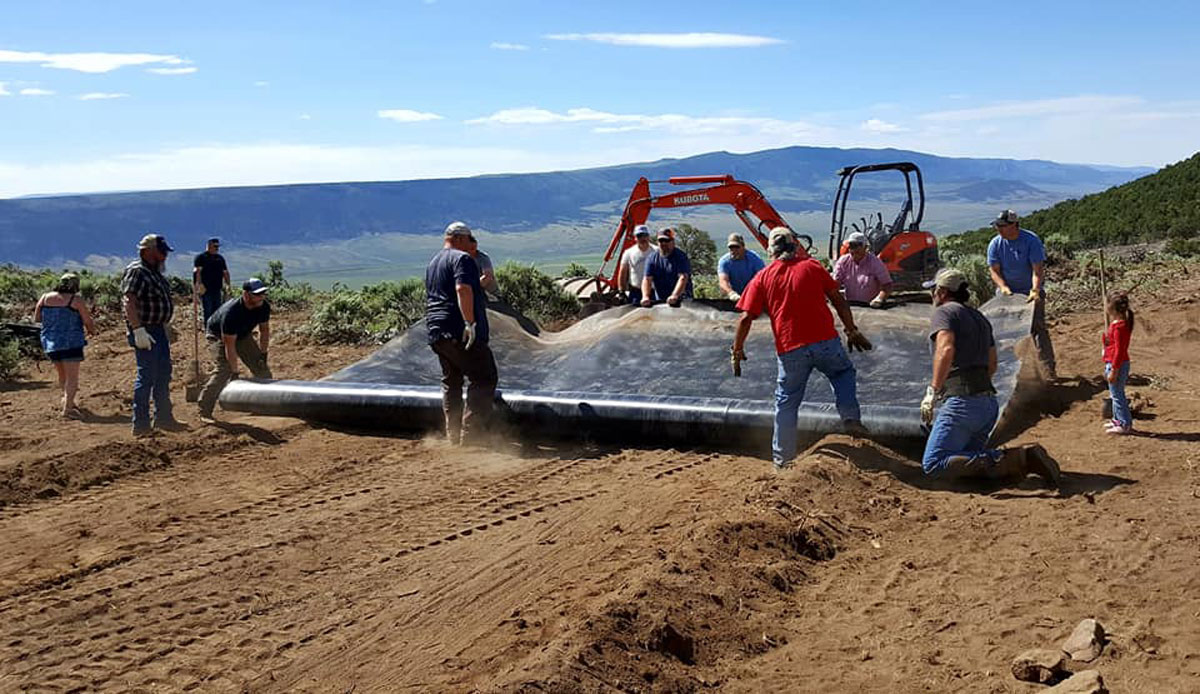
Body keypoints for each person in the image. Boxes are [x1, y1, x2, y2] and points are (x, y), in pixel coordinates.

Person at [730, 227, 873, 469]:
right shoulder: (813, 267)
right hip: (825, 341)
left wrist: (737, 350)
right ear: (795, 246)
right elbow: (837, 298)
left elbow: (745, 318)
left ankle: (783, 461)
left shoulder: (763, 277)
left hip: (790, 349)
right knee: (842, 373)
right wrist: (851, 329)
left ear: (771, 252)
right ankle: (850, 419)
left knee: (786, 402)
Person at [920, 268, 1060, 485]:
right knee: (968, 464)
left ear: (943, 292)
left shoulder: (945, 312)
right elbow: (992, 362)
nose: (932, 295)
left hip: (962, 403)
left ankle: (1022, 458)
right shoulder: (979, 317)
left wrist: (933, 391)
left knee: (934, 463)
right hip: (987, 404)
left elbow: (945, 349)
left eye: (934, 290)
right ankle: (1011, 464)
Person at [426, 221, 498, 445]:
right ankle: (472, 437)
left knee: (451, 381)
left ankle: (453, 435)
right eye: (468, 239)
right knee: (484, 378)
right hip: (458, 328)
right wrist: (470, 323)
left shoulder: (433, 262)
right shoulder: (462, 259)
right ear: (457, 238)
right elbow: (463, 289)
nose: (471, 244)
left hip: (436, 330)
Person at [122, 233, 183, 435]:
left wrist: (165, 324)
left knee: (163, 374)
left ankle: (164, 418)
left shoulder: (154, 272)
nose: (164, 256)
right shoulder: (137, 271)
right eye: (161, 252)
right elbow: (129, 302)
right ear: (147, 252)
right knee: (146, 376)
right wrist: (138, 330)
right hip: (145, 330)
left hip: (158, 329)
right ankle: (141, 424)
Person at [986, 209, 1056, 378]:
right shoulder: (995, 244)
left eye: (1002, 226)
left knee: (1038, 329)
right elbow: (994, 271)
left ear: (1014, 225)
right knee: (1004, 332)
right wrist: (1003, 287)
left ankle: (1048, 369)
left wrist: (1035, 291)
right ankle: (1006, 370)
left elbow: (1037, 270)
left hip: (1030, 292)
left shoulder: (1031, 241)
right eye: (997, 226)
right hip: (1007, 295)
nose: (999, 230)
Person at [196, 278, 273, 424]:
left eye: (263, 293)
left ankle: (263, 404)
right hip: (218, 335)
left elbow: (264, 331)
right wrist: (235, 372)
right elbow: (229, 346)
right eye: (257, 294)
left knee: (262, 369)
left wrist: (263, 354)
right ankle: (204, 410)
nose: (261, 297)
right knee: (224, 370)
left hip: (243, 334)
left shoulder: (263, 307)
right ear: (246, 294)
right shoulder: (231, 313)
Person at [34, 272, 97, 419]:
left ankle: (68, 401)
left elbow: (37, 318)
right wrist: (91, 331)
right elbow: (87, 321)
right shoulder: (76, 300)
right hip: (71, 343)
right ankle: (68, 409)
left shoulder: (44, 298)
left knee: (62, 375)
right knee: (72, 377)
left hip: (50, 343)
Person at [1102, 292, 1135, 435]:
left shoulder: (1119, 327)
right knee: (1114, 393)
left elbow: (1120, 351)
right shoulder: (1117, 325)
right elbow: (1113, 345)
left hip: (1118, 364)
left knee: (1117, 395)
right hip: (1114, 362)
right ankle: (1117, 420)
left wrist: (1114, 370)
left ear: (1112, 308)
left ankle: (1125, 424)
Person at [832, 231, 893, 308]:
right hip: (851, 306)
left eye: (858, 245)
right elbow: (835, 283)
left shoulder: (875, 262)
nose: (854, 249)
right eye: (851, 246)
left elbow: (887, 285)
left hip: (871, 307)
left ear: (865, 247)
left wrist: (879, 299)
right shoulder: (843, 261)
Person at [641, 227, 692, 307]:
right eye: (661, 241)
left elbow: (683, 277)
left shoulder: (681, 257)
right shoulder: (652, 258)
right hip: (661, 301)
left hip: (682, 301)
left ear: (673, 241)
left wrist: (675, 295)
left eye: (667, 240)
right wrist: (645, 296)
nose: (664, 243)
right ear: (657, 242)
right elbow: (647, 279)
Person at [717, 233, 766, 301]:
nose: (734, 250)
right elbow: (723, 280)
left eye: (737, 247)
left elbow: (763, 278)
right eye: (731, 247)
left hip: (752, 295)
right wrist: (731, 293)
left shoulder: (754, 258)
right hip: (734, 297)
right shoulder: (724, 261)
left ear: (743, 247)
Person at [193, 237, 231, 323]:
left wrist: (228, 285)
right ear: (209, 245)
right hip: (206, 290)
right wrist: (199, 284)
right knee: (208, 311)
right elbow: (197, 272)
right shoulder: (201, 257)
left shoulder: (220, 258)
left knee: (218, 310)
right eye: (215, 246)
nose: (217, 248)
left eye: (218, 246)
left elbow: (225, 272)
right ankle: (208, 331)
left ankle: (216, 330)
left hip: (217, 289)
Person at [617, 225, 654, 305]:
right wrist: (621, 292)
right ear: (635, 238)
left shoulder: (656, 251)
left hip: (654, 292)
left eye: (645, 235)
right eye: (639, 236)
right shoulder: (629, 252)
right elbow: (623, 272)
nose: (642, 238)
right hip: (636, 292)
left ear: (648, 236)